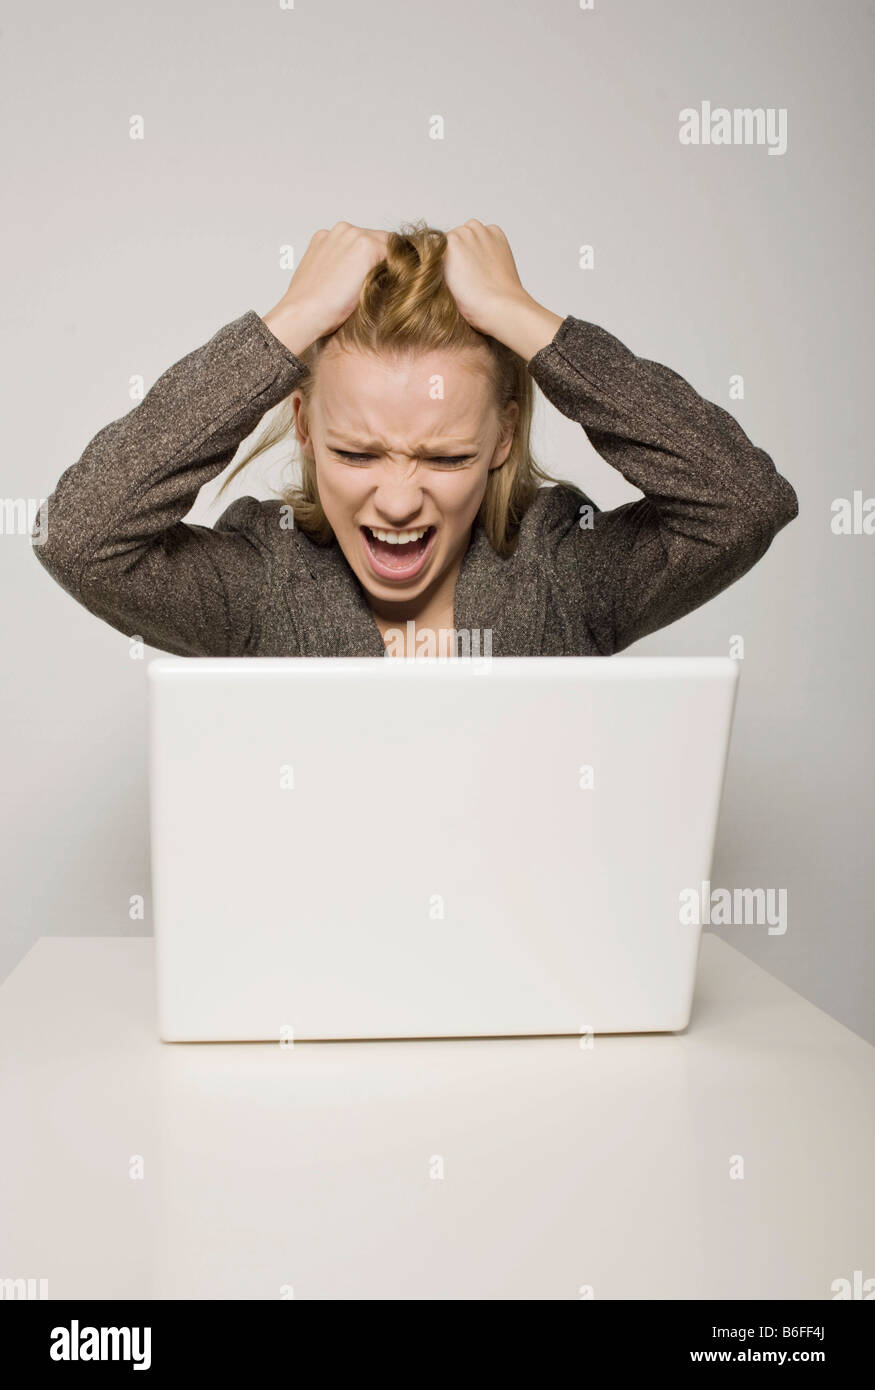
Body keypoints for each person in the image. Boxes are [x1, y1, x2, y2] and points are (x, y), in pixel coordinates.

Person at [32, 219, 798, 658]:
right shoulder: (257, 584)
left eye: (445, 456)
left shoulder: (565, 571)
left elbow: (742, 503)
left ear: (503, 435)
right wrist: (286, 324)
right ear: (302, 427)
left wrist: (524, 320)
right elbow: (78, 536)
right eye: (357, 452)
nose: (397, 501)